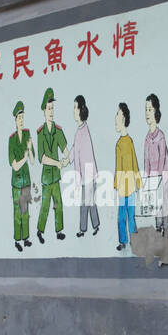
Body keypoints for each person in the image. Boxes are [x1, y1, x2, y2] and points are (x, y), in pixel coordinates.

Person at [35, 88, 68, 244]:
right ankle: (40, 230)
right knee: (45, 205)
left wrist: (66, 160)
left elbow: (65, 150)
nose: (51, 112)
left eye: (52, 108)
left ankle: (59, 230)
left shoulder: (57, 130)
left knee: (58, 204)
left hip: (56, 175)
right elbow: (42, 158)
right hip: (47, 175)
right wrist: (57, 162)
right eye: (49, 109)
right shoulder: (40, 133)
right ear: (43, 110)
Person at [71, 95, 100, 238]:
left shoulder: (84, 132)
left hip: (88, 176)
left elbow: (86, 158)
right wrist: (67, 159)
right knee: (89, 203)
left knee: (86, 203)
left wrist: (80, 179)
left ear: (81, 110)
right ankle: (95, 225)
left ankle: (85, 229)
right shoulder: (79, 131)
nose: (74, 111)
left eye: (75, 108)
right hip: (87, 176)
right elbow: (74, 150)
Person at [8, 101, 34, 252]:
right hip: (16, 182)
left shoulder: (27, 135)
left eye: (23, 118)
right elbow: (14, 165)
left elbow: (32, 160)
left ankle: (26, 238)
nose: (21, 121)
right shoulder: (12, 140)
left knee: (26, 211)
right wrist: (25, 156)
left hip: (26, 181)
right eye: (19, 118)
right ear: (15, 120)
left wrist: (30, 150)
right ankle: (17, 239)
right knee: (17, 212)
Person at [143, 93, 168, 233]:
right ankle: (158, 225)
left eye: (150, 109)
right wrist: (147, 178)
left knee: (164, 200)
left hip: (164, 174)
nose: (147, 113)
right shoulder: (147, 138)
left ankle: (165, 225)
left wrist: (158, 176)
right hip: (153, 176)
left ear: (156, 111)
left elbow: (162, 157)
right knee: (155, 201)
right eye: (146, 110)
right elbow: (146, 160)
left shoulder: (161, 135)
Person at [114, 103, 140, 251]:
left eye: (117, 115)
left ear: (123, 118)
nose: (116, 119)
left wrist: (138, 181)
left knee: (131, 216)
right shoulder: (118, 144)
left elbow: (135, 162)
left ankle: (134, 241)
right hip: (122, 187)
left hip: (130, 187)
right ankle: (122, 241)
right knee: (121, 217)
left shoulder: (129, 142)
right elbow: (118, 167)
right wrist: (116, 184)